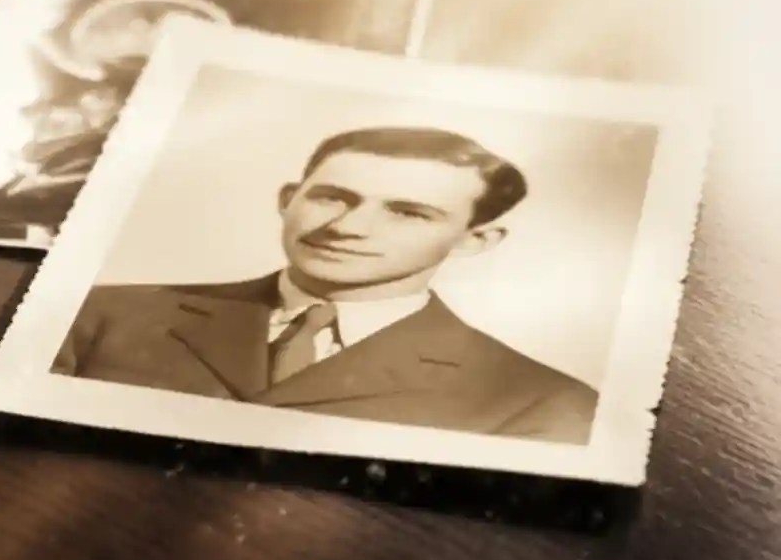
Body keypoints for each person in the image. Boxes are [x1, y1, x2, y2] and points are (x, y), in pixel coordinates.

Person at [52, 127, 598, 444]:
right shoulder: (101, 315)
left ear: (475, 240)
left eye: (408, 212)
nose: (348, 227)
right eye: (332, 197)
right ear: (287, 199)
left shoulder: (542, 404)